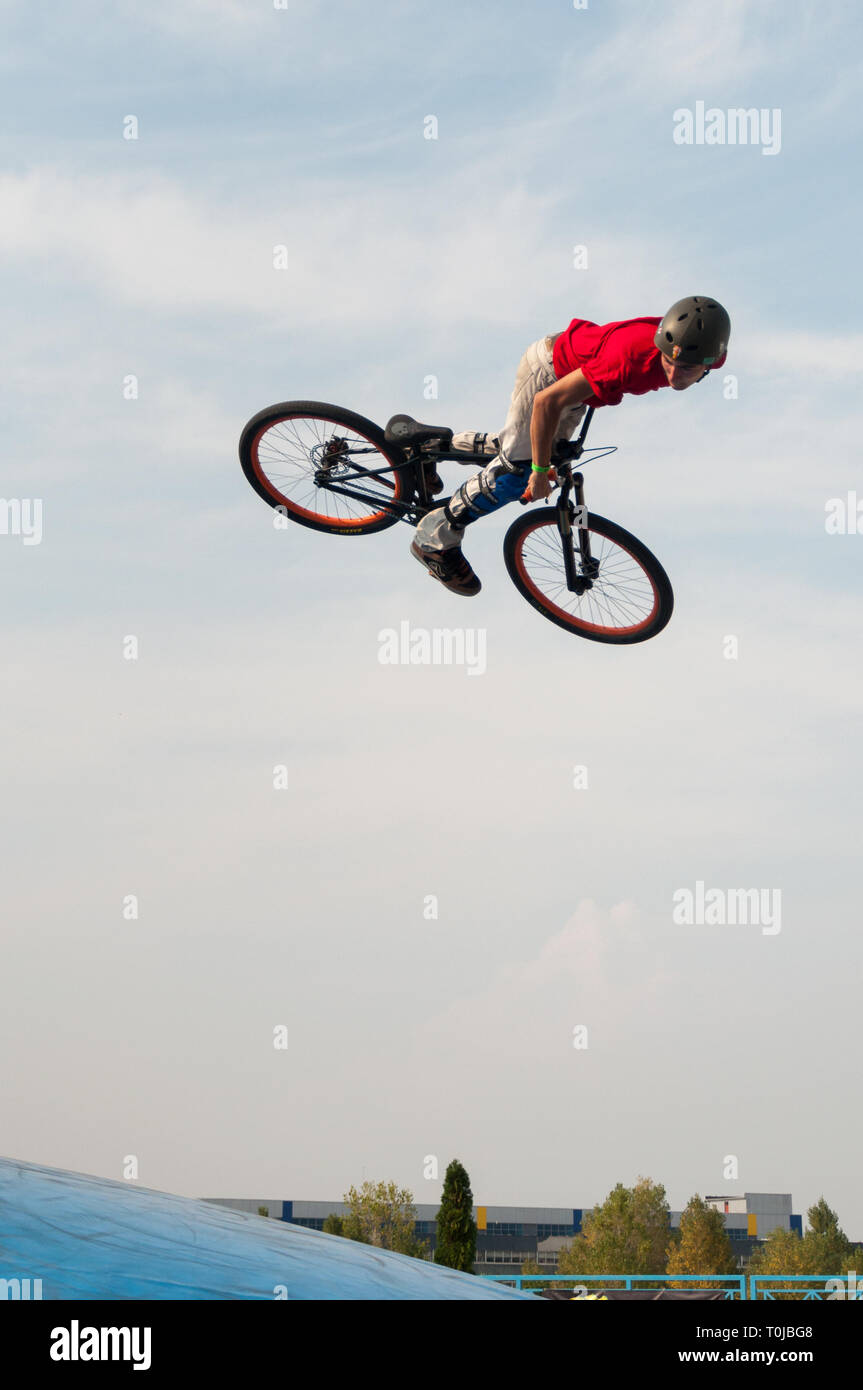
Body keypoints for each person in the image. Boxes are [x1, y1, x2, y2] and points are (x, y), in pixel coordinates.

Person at [410, 295, 730, 595]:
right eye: (667, 361)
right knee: (517, 473)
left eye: (686, 367)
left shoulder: (707, 348)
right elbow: (545, 403)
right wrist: (537, 471)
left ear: (711, 363)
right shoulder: (628, 359)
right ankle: (434, 539)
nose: (674, 374)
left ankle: (428, 447)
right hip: (549, 375)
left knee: (530, 450)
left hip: (577, 382)